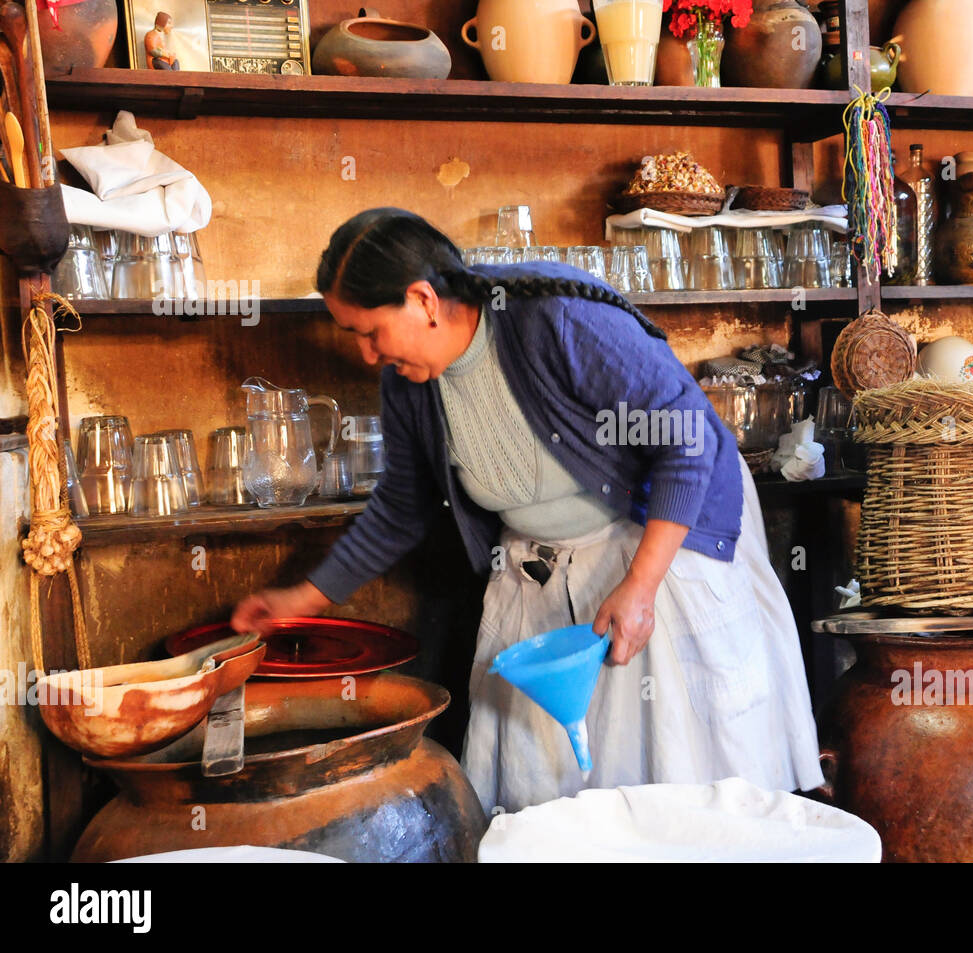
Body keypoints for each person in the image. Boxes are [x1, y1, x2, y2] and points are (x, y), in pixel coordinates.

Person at [232, 208, 824, 813]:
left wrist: (640, 586)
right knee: (554, 785)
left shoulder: (556, 320)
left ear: (423, 301)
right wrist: (302, 601)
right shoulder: (408, 383)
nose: (364, 354)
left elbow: (687, 441)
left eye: (368, 332)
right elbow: (402, 508)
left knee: (675, 771)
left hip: (661, 545)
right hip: (544, 567)